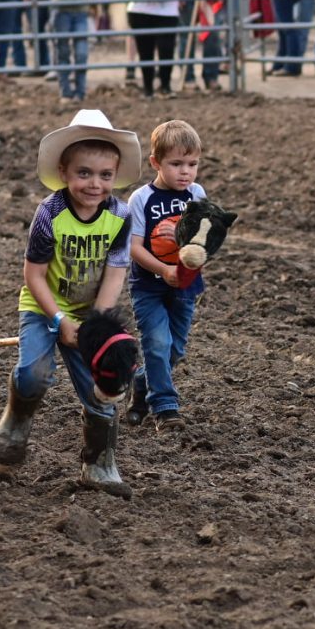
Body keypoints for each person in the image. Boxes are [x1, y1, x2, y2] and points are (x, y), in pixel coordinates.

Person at [0, 108, 140, 497]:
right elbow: (34, 274)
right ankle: (18, 416)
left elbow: (116, 273)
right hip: (44, 307)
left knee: (102, 384)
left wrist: (96, 326)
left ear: (116, 174)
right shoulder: (49, 214)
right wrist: (59, 322)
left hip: (90, 313)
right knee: (34, 374)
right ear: (65, 172)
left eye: (105, 175)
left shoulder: (120, 217)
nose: (94, 184)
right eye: (84, 173)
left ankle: (99, 461)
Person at [124, 120, 207, 431]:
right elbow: (133, 247)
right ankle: (166, 408)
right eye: (176, 164)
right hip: (148, 286)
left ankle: (141, 383)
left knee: (174, 350)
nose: (185, 172)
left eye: (192, 164)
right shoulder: (141, 199)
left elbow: (206, 240)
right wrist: (162, 269)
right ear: (156, 163)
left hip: (186, 285)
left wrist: (186, 237)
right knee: (157, 344)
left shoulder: (197, 193)